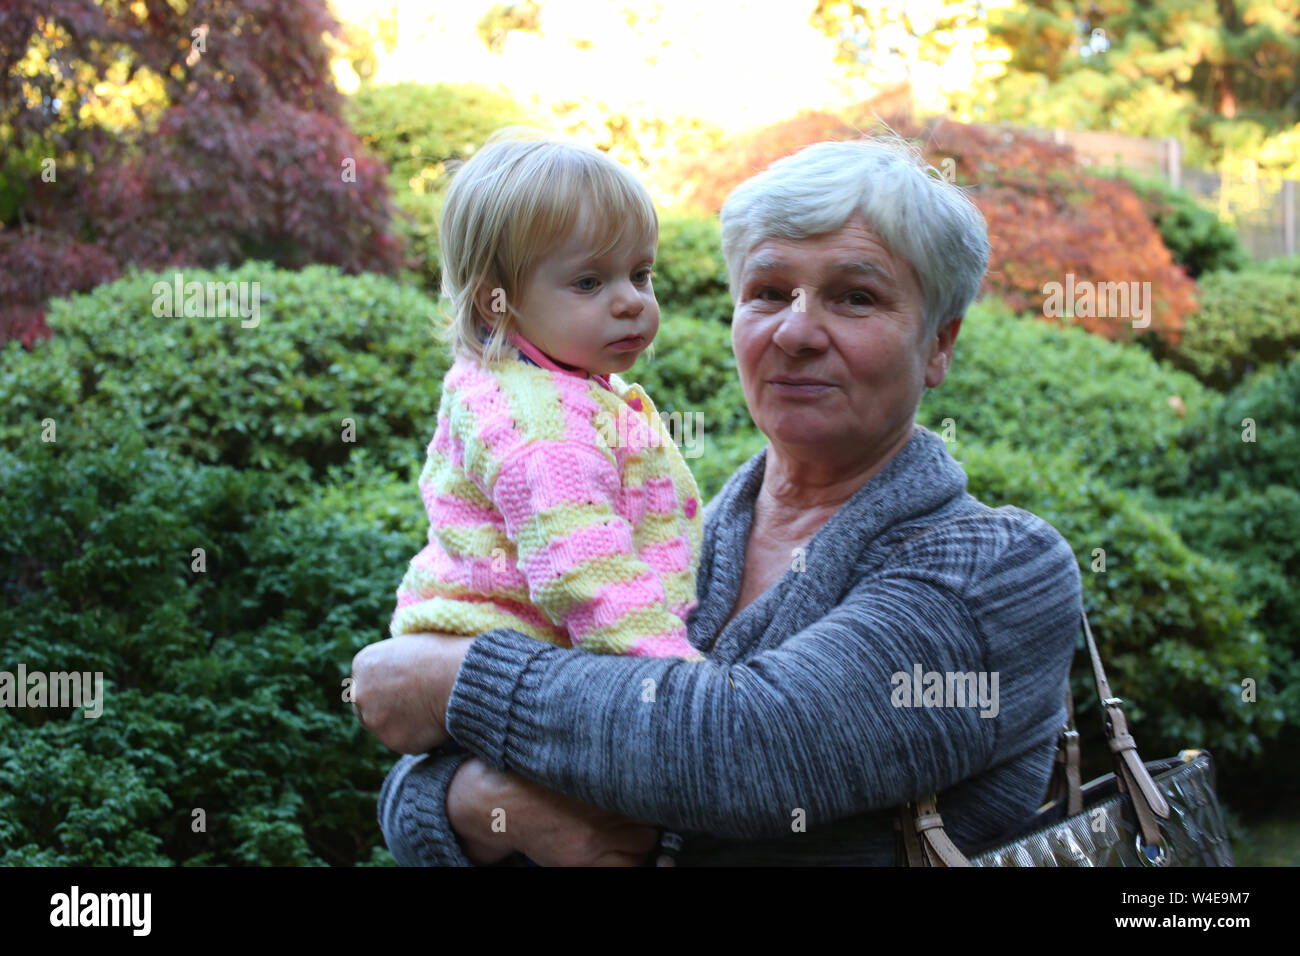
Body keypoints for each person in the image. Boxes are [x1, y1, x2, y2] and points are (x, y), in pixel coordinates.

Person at [352, 137, 1084, 866]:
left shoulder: (999, 575)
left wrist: (453, 678)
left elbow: (755, 752)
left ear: (940, 345)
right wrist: (473, 806)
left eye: (855, 297)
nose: (795, 332)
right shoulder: (664, 527)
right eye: (767, 292)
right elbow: (412, 798)